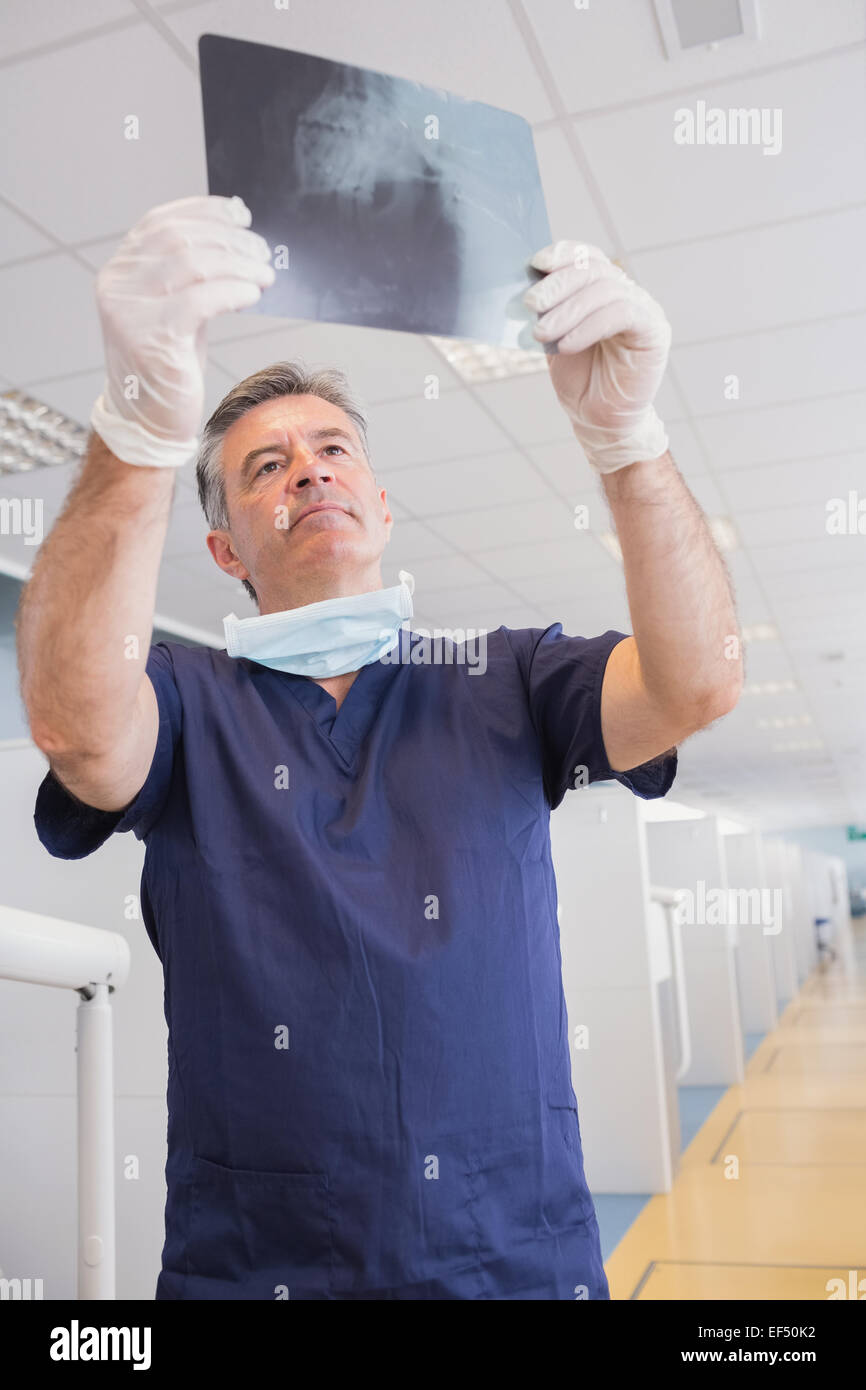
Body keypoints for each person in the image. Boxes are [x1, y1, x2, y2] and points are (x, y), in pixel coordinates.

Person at [16, 196, 742, 1300]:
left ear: (383, 506)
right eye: (264, 467)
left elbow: (696, 679)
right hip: (262, 1269)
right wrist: (135, 431)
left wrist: (627, 442)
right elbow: (77, 727)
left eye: (333, 449)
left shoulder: (502, 677)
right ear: (222, 548)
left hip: (512, 1261)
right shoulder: (188, 702)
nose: (307, 471)